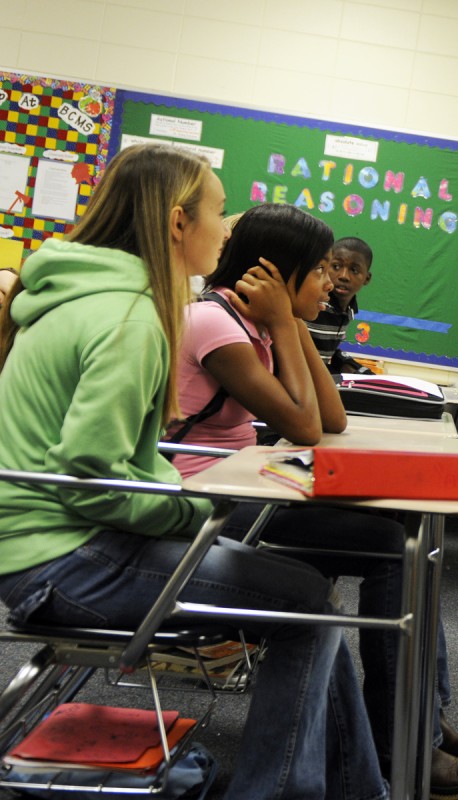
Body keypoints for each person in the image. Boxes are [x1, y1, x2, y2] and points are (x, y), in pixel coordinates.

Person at [0, 143, 388, 799]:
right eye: (218, 209)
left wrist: (184, 503)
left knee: (307, 595)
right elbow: (93, 468)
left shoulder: (97, 295)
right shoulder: (131, 316)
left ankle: (358, 789)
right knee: (308, 601)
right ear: (179, 223)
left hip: (47, 545)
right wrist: (195, 512)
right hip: (62, 562)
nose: (228, 224)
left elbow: (118, 454)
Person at [168, 204, 458, 800]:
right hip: (205, 509)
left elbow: (334, 417)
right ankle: (405, 737)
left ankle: (411, 722)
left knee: (396, 526)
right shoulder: (216, 324)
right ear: (279, 271)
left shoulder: (254, 325)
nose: (330, 283)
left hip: (242, 490)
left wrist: (285, 323)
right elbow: (308, 426)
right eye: (318, 270)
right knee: (394, 548)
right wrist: (288, 326)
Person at [307, 235, 374, 375]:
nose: (344, 276)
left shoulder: (349, 310)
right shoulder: (314, 304)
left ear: (366, 279)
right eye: (336, 266)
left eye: (354, 270)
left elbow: (325, 350)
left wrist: (345, 363)